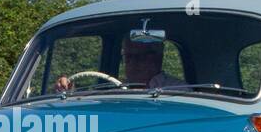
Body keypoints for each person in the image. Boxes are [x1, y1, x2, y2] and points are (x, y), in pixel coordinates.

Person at [54, 37, 185, 92]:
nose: (133, 63)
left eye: (140, 56)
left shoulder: (178, 89)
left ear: (157, 58)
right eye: (128, 57)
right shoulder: (114, 88)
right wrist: (68, 90)